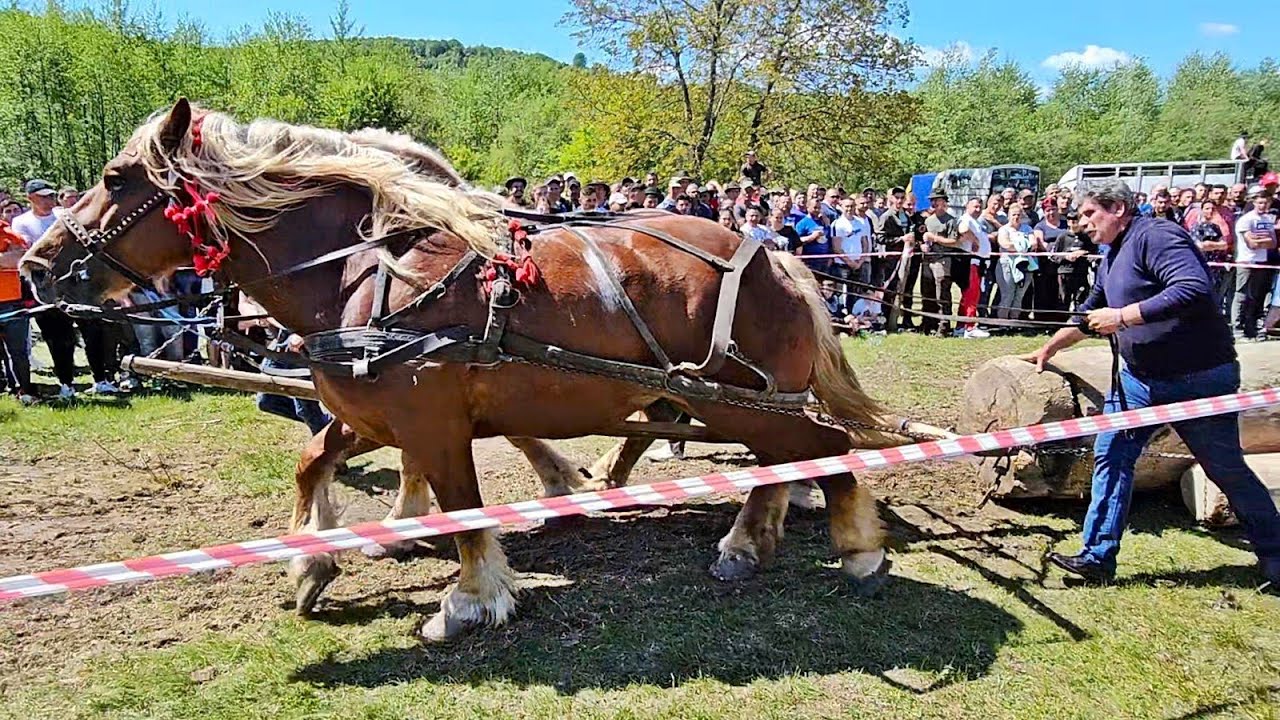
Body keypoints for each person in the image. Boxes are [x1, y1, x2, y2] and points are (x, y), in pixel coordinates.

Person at [1024, 178, 1280, 591]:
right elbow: (1091, 312)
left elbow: (1194, 289)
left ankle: (1275, 553)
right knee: (1111, 456)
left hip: (1199, 379)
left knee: (1225, 468)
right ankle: (1097, 557)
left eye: (1090, 213)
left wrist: (1124, 317)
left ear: (1118, 209)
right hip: (1139, 380)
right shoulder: (1111, 255)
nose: (1082, 222)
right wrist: (1049, 349)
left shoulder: (1157, 236)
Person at [239, 296, 333, 435]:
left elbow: (319, 302)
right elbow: (244, 304)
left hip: (303, 342)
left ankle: (325, 443)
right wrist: (259, 318)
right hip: (281, 343)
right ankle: (328, 426)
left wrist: (302, 334)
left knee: (305, 409)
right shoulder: (245, 276)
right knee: (266, 401)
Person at [1231, 185, 1278, 340]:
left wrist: (1261, 240)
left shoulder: (1267, 219)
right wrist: (1262, 240)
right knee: (1242, 295)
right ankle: (1237, 328)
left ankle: (1251, 328)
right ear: (1254, 203)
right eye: (1259, 203)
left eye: (1265, 203)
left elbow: (1273, 243)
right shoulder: (1246, 219)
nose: (1263, 206)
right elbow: (1252, 243)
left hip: (1261, 262)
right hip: (1246, 262)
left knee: (1256, 297)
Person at [0, 219, 33, 404]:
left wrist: (9, 259)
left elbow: (19, 260)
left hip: (12, 303)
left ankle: (25, 390)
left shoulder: (9, 233)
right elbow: (9, 259)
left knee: (18, 352)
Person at [953, 197, 991, 338]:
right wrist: (974, 239)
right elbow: (963, 229)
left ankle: (961, 326)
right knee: (971, 294)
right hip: (971, 262)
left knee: (970, 294)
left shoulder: (977, 222)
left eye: (980, 207)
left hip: (979, 261)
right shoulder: (966, 220)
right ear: (967, 206)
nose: (978, 209)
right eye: (975, 206)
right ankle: (969, 326)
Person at [994, 202, 1038, 320]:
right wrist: (1023, 246)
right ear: (1009, 216)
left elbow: (1034, 244)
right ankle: (1002, 321)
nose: (1016, 217)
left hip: (1026, 265)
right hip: (1007, 264)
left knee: (1019, 295)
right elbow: (1005, 244)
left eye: (1018, 215)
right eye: (1013, 215)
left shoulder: (1027, 229)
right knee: (1008, 294)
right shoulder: (1004, 229)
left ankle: (1014, 320)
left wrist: (1020, 247)